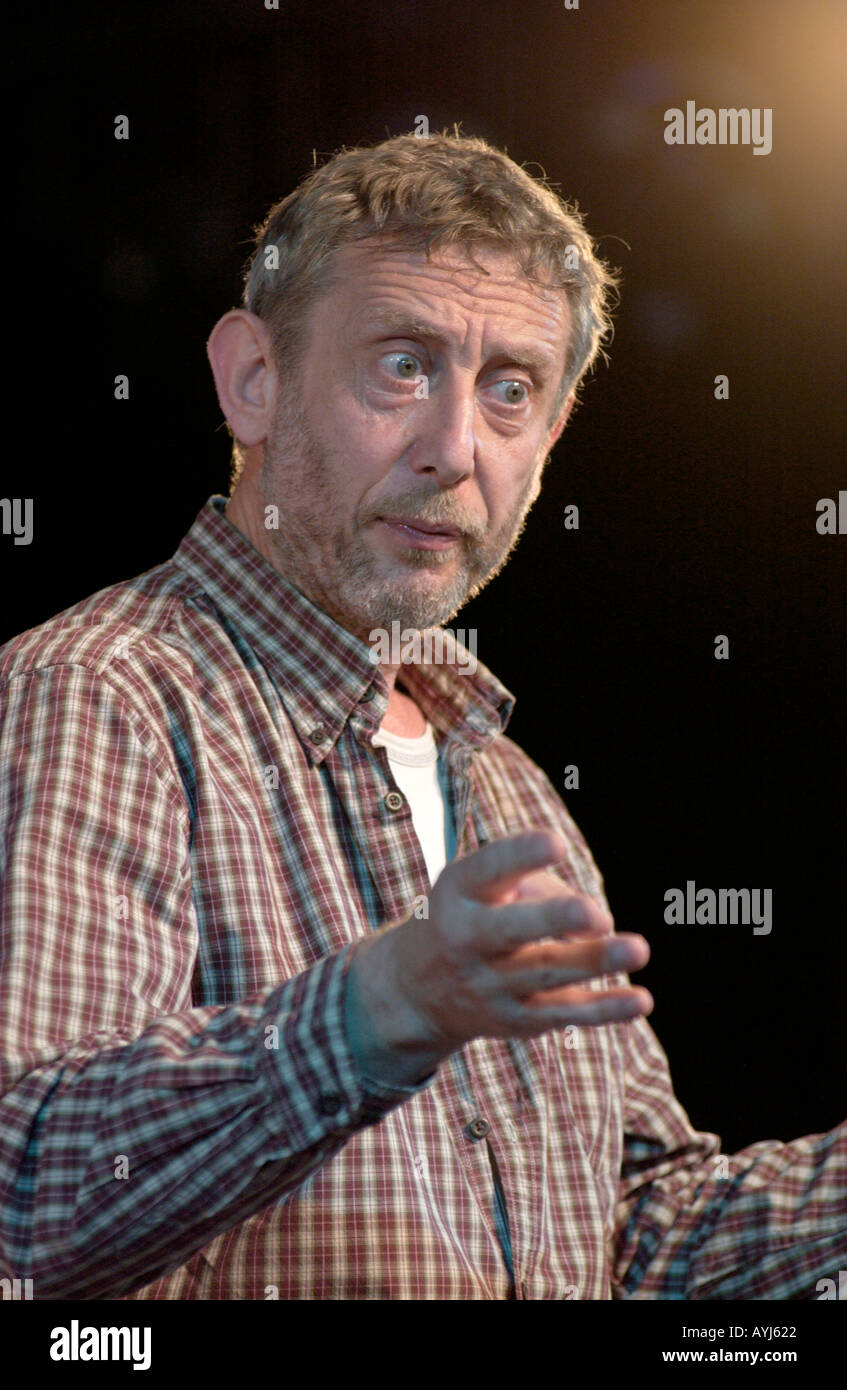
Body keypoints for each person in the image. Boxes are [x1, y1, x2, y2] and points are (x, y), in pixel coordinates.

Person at [0, 132, 843, 1302]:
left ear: (548, 445)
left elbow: (633, 1241)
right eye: (402, 365)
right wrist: (378, 1008)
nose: (456, 450)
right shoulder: (102, 694)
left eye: (511, 391)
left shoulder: (504, 784)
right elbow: (26, 1190)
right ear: (253, 378)